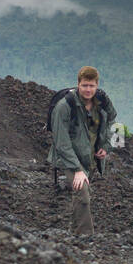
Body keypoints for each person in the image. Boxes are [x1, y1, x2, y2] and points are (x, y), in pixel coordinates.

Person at [47, 66, 117, 241]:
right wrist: (77, 169)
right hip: (69, 159)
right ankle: (87, 240)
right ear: (78, 84)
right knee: (83, 195)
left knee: (80, 198)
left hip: (90, 159)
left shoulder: (102, 103)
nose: (88, 89)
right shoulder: (65, 106)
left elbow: (114, 123)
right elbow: (61, 143)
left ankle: (73, 238)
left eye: (91, 86)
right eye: (85, 85)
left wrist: (107, 147)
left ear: (97, 85)